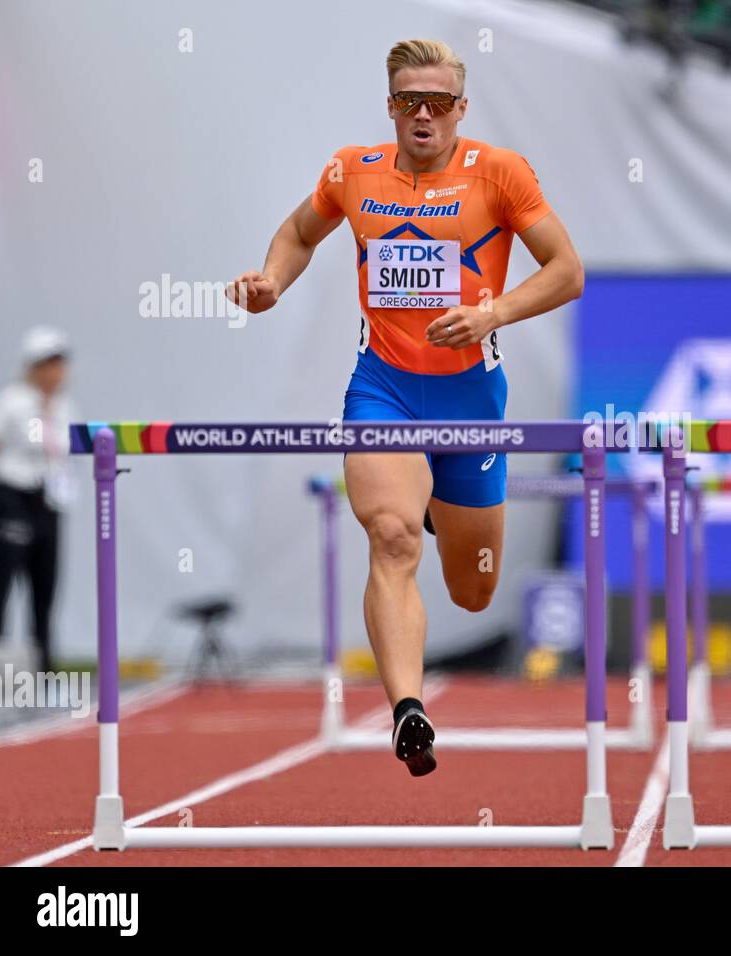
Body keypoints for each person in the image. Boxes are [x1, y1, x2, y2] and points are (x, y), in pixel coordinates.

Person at [225, 39, 584, 777]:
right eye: (410, 101)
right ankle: (407, 709)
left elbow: (567, 270)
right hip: (382, 389)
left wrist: (493, 313)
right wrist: (271, 282)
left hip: (471, 399)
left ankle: (436, 502)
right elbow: (298, 233)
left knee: (474, 588)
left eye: (439, 102)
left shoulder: (501, 173)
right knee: (390, 538)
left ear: (461, 108)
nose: (425, 114)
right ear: (390, 106)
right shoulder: (351, 171)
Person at [0, 327, 77, 677]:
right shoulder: (11, 402)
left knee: (45, 587)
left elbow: (65, 454)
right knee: (3, 584)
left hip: (49, 501)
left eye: (60, 364)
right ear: (34, 367)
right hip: (13, 497)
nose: (56, 372)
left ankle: (45, 671)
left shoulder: (65, 406)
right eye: (49, 364)